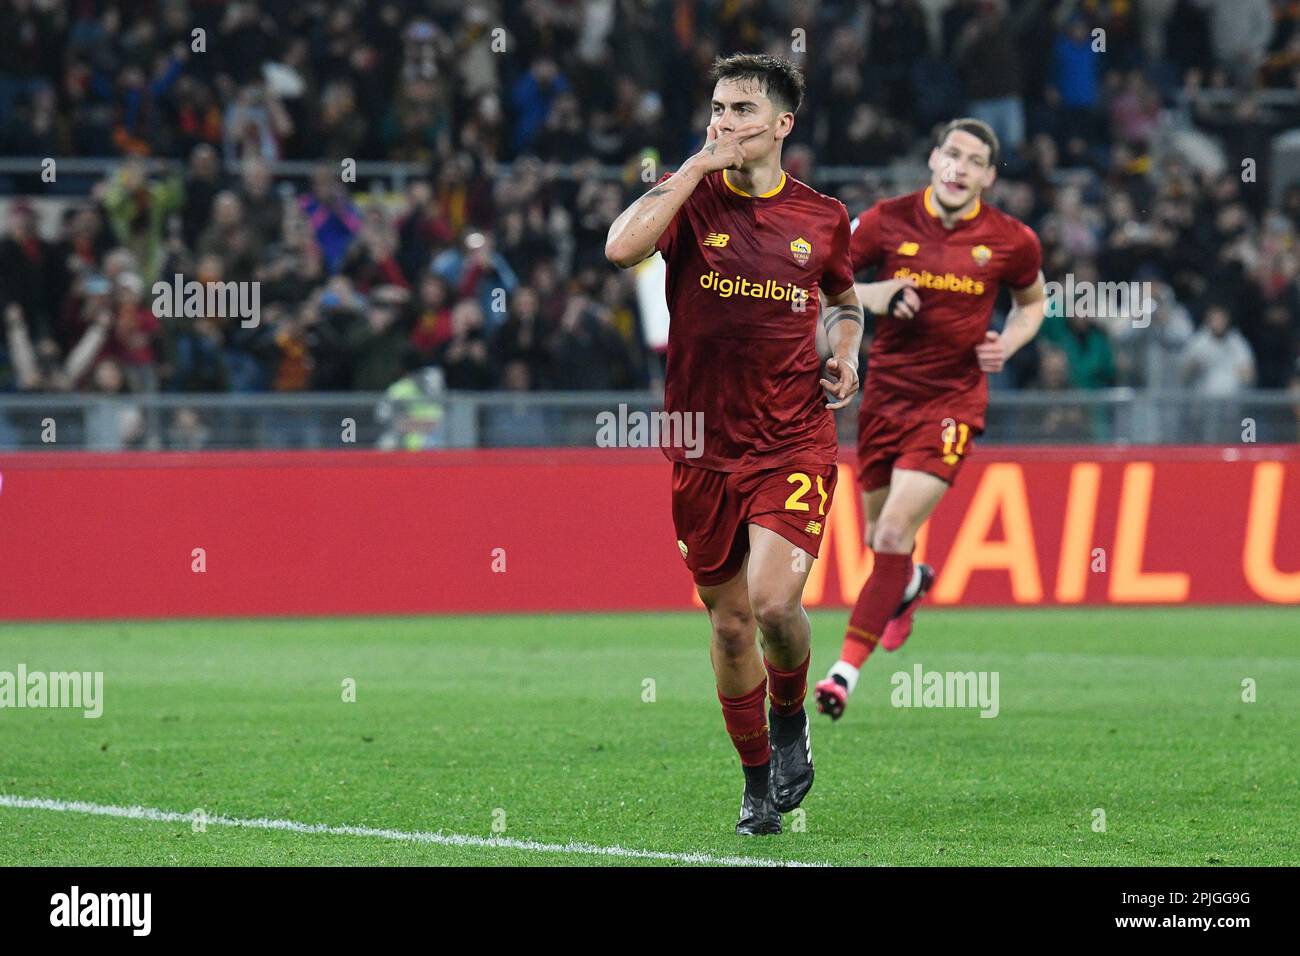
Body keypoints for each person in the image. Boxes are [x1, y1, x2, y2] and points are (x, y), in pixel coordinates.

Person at [605, 54, 863, 834]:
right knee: (727, 624)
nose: (725, 122)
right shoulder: (691, 198)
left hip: (791, 436)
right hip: (701, 448)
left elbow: (844, 299)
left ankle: (791, 720)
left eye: (743, 110)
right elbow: (622, 248)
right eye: (718, 108)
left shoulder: (822, 217)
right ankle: (756, 781)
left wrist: (846, 350)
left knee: (775, 603)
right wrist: (691, 168)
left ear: (782, 125)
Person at [814, 118, 1046, 720]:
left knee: (890, 534)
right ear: (933, 158)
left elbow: (1033, 302)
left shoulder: (1011, 240)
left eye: (973, 160)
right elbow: (823, 284)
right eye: (951, 153)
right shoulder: (887, 220)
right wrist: (876, 294)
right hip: (885, 401)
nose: (958, 166)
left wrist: (1010, 344)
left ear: (988, 176)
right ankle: (911, 583)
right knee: (878, 542)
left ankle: (843, 674)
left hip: (952, 404)